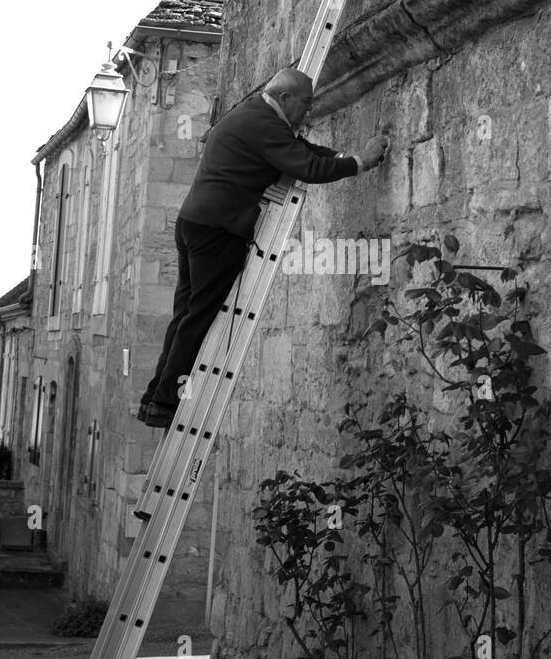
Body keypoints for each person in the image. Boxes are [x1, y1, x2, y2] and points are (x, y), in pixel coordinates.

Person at [139, 67, 389, 429]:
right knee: (200, 317)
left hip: (195, 223)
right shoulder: (263, 124)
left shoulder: (255, 115)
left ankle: (154, 399)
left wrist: (346, 155)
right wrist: (361, 162)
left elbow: (303, 149)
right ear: (285, 98)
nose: (309, 111)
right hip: (218, 230)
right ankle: (167, 400)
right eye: (305, 104)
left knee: (185, 315)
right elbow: (309, 167)